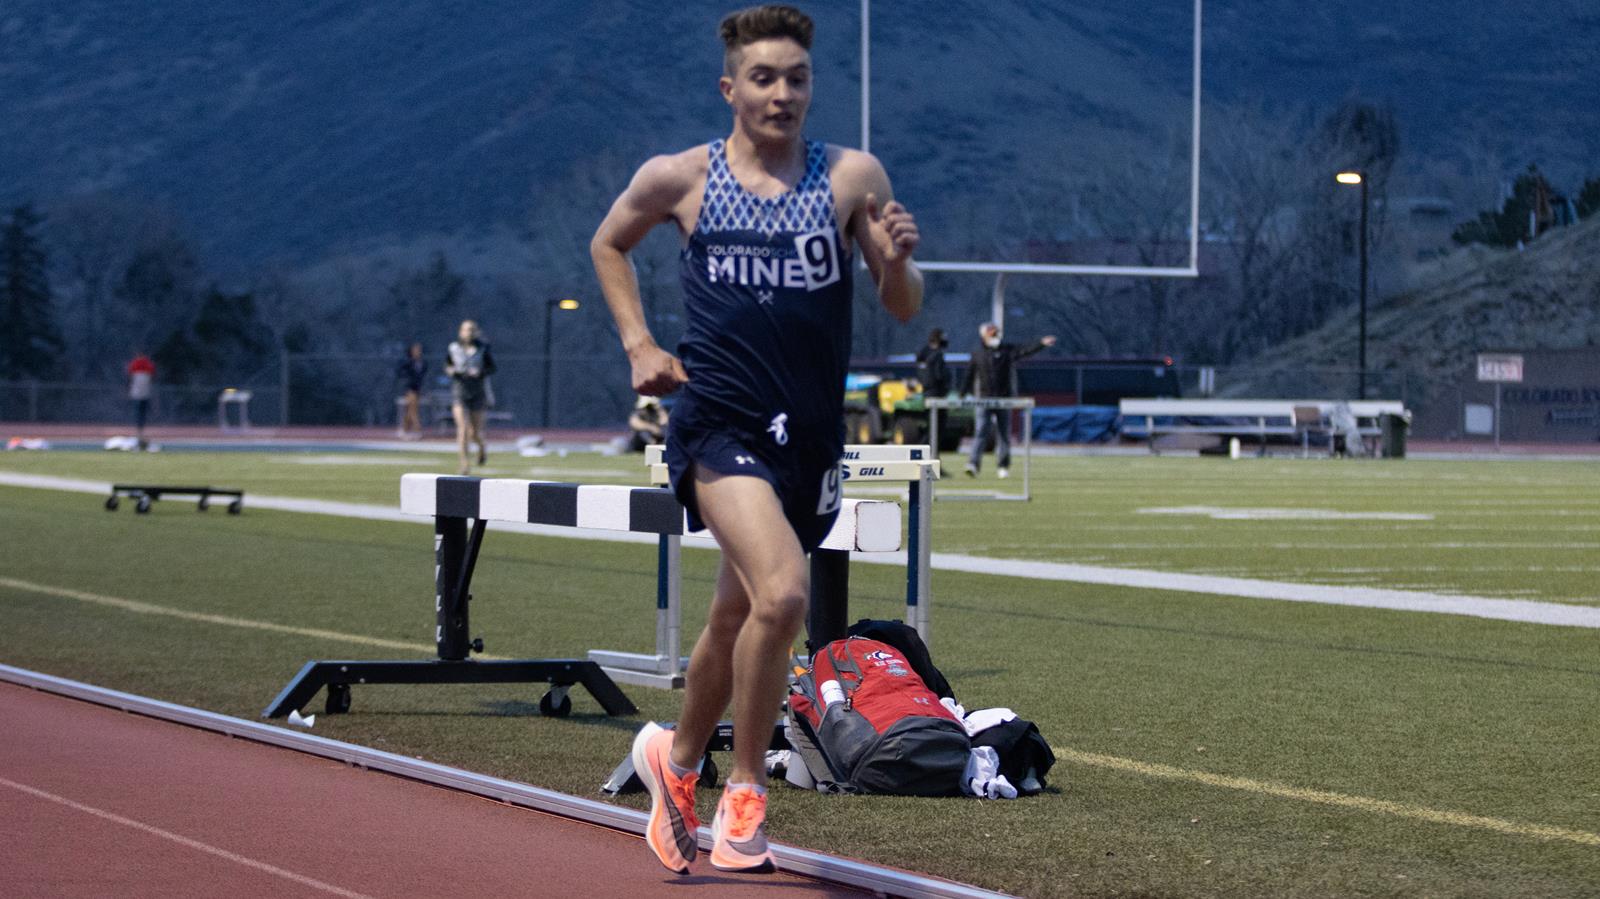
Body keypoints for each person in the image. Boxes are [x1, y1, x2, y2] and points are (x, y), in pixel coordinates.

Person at [590, 4, 922, 876]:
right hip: (718, 422)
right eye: (765, 79)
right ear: (730, 87)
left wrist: (894, 257)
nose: (783, 94)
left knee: (734, 613)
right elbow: (608, 243)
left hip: (807, 438)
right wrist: (639, 344)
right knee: (783, 595)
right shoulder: (682, 177)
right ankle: (745, 796)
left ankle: (675, 758)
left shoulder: (850, 178)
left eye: (798, 78)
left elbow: (902, 303)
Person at [961, 322, 1056, 478]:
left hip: (1003, 398)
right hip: (983, 399)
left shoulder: (1006, 351)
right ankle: (973, 463)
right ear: (984, 336)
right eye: (992, 334)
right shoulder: (978, 354)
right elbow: (969, 375)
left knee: (1004, 433)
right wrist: (962, 393)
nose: (996, 337)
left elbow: (1024, 350)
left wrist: (1041, 343)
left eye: (997, 334)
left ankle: (1003, 465)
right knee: (981, 431)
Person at [445, 320, 495, 475]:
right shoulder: (454, 348)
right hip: (460, 392)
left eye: (472, 330)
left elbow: (492, 368)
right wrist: (452, 371)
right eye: (466, 330)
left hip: (477, 393)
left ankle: (481, 447)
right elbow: (447, 365)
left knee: (475, 433)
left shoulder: (482, 349)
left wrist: (479, 373)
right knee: (463, 429)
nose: (469, 333)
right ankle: (464, 464)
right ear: (461, 331)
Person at [396, 342, 428, 440]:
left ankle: (404, 430)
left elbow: (422, 376)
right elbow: (400, 373)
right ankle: (418, 430)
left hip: (417, 388)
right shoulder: (407, 362)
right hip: (409, 388)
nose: (418, 352)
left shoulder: (423, 363)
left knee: (410, 410)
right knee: (413, 410)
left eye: (419, 350)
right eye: (416, 350)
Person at [126, 350, 156, 450]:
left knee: (138, 412)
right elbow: (152, 372)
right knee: (142, 412)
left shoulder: (135, 364)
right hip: (144, 390)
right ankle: (140, 432)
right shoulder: (147, 364)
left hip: (138, 390)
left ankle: (139, 432)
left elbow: (130, 373)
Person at [915, 327, 950, 396]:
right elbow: (939, 375)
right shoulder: (937, 355)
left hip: (925, 390)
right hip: (936, 391)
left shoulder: (924, 353)